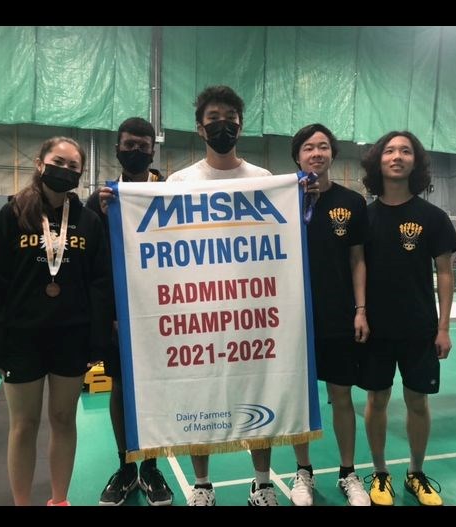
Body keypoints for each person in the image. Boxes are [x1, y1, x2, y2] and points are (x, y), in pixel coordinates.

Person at [0, 136, 113, 506]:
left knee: (63, 419)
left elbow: (100, 283)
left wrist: (97, 340)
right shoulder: (12, 214)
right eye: (59, 161)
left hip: (72, 337)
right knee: (23, 426)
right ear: (40, 163)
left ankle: (59, 499)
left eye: (74, 166)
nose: (65, 170)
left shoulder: (87, 221)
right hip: (20, 340)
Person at [168, 85, 275, 506]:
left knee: (260, 393)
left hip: (252, 310)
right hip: (199, 312)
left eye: (230, 116)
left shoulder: (265, 181)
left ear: (240, 125)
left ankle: (262, 483)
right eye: (213, 118)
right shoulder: (179, 182)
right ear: (200, 128)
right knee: (199, 395)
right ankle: (202, 486)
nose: (222, 124)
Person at [358, 131, 456, 506]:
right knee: (377, 399)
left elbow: (445, 273)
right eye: (389, 150)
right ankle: (380, 472)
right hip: (376, 329)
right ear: (378, 160)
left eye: (405, 151)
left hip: (420, 327)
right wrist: (360, 314)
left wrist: (444, 327)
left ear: (415, 162)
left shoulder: (433, 217)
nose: (397, 156)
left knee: (418, 401)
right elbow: (357, 269)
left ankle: (416, 473)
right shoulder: (363, 217)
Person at [281, 124, 371, 506]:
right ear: (297, 156)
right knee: (300, 399)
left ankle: (348, 473)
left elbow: (357, 260)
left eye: (322, 147)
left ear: (332, 154)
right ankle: (303, 472)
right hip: (291, 317)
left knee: (342, 396)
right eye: (308, 147)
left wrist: (361, 309)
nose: (316, 153)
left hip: (337, 315)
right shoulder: (280, 200)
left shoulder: (352, 202)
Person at [86, 117, 174, 506]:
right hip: (118, 319)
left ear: (153, 151)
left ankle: (151, 469)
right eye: (129, 144)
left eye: (143, 145)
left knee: (155, 390)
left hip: (164, 314)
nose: (136, 151)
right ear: (117, 148)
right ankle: (125, 468)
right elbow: (92, 263)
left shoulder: (172, 192)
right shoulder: (100, 199)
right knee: (121, 388)